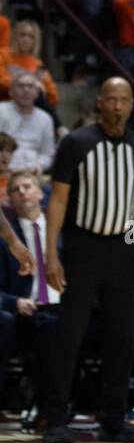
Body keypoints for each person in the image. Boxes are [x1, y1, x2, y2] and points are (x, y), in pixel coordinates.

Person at [42, 77, 134, 443]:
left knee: (122, 336)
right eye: (112, 99)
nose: (119, 106)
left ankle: (114, 417)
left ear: (131, 105)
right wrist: (51, 253)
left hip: (123, 245)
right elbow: (58, 200)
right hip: (82, 244)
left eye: (125, 100)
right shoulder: (77, 143)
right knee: (69, 334)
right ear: (100, 102)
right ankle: (56, 417)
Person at [0, 169, 58, 419]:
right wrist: (15, 302)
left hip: (64, 306)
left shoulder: (60, 229)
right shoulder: (5, 237)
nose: (22, 192)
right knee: (46, 327)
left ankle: (107, 408)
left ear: (41, 194)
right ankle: (48, 411)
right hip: (28, 309)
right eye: (15, 189)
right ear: (9, 201)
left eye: (27, 186)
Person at [0, 72, 56, 174]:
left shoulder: (45, 118)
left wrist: (39, 166)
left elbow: (48, 154)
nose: (26, 90)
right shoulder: (1, 110)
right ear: (11, 91)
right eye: (21, 86)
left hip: (32, 174)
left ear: (37, 92)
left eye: (30, 86)